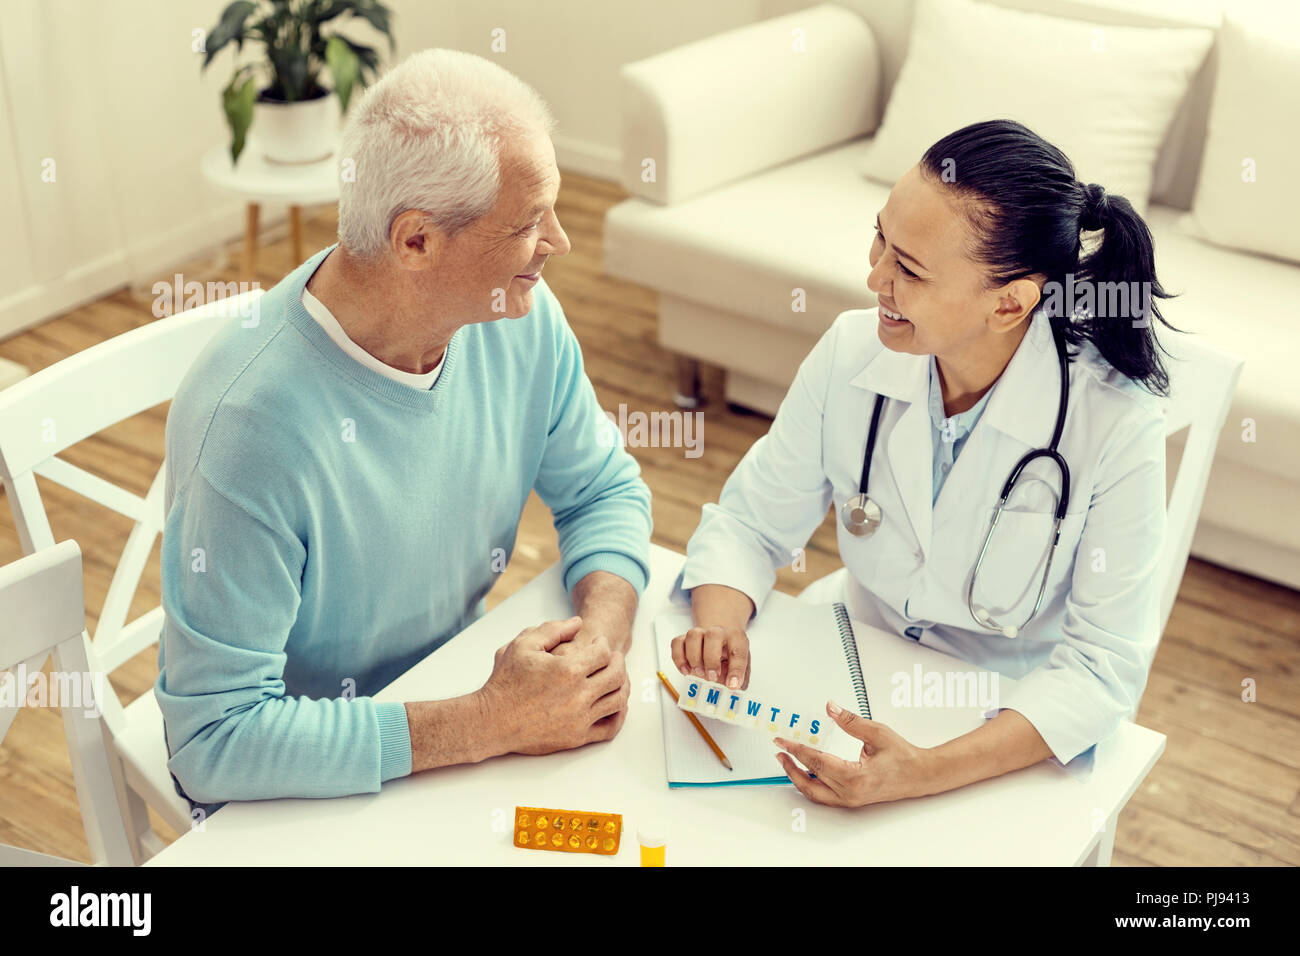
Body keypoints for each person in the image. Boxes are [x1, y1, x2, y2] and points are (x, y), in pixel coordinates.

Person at [156, 49, 652, 811]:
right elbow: (213, 743)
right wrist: (486, 722)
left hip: (452, 705)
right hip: (301, 782)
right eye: (528, 223)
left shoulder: (515, 316)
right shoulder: (249, 429)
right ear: (415, 241)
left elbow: (603, 489)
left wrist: (601, 637)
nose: (560, 242)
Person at [671, 119, 1172, 807]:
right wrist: (720, 619)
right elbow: (753, 525)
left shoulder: (1115, 423)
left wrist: (923, 772)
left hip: (1003, 712)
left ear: (1010, 302)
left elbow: (1099, 668)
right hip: (850, 654)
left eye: (908, 269)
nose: (874, 276)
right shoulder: (854, 349)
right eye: (881, 238)